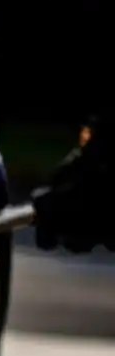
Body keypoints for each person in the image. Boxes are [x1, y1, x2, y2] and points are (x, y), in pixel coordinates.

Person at [34, 107, 113, 252]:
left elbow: (68, 172)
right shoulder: (87, 153)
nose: (83, 135)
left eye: (87, 132)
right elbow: (62, 173)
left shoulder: (94, 152)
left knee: (43, 201)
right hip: (89, 201)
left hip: (93, 204)